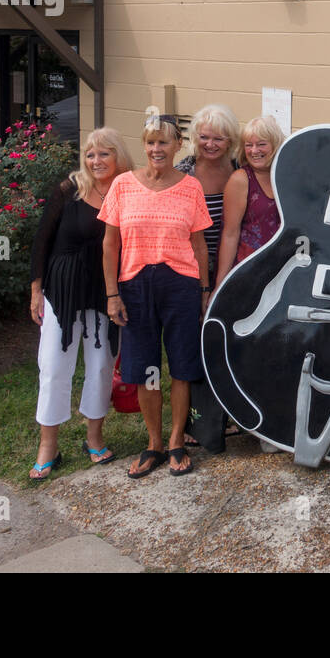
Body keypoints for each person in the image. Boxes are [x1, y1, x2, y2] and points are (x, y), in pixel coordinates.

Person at [101, 110, 212, 479]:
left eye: (163, 142)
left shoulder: (191, 187)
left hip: (179, 284)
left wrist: (204, 290)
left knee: (181, 365)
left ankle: (178, 440)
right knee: (146, 368)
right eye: (150, 142)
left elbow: (199, 246)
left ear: (178, 145)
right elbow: (110, 245)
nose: (156, 149)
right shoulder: (122, 185)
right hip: (134, 285)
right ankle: (154, 443)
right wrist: (112, 294)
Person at [28, 127, 134, 480]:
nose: (96, 160)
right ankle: (48, 446)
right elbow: (42, 239)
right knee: (54, 366)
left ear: (119, 156)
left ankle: (94, 437)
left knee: (102, 365)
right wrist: (36, 288)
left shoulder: (129, 190)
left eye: (104, 153)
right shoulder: (69, 190)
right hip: (63, 291)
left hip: (105, 292)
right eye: (90, 154)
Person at [176, 104, 242, 451]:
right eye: (204, 137)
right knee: (192, 344)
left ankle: (228, 417)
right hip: (189, 268)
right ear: (194, 138)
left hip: (231, 267)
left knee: (228, 342)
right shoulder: (182, 174)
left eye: (219, 138)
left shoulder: (240, 170)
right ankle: (191, 423)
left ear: (230, 141)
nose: (211, 144)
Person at [214, 115, 286, 283]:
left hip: (279, 269)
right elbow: (230, 234)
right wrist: (221, 283)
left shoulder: (285, 176)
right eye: (249, 145)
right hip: (247, 269)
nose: (254, 151)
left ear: (275, 145)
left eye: (261, 144)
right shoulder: (241, 179)